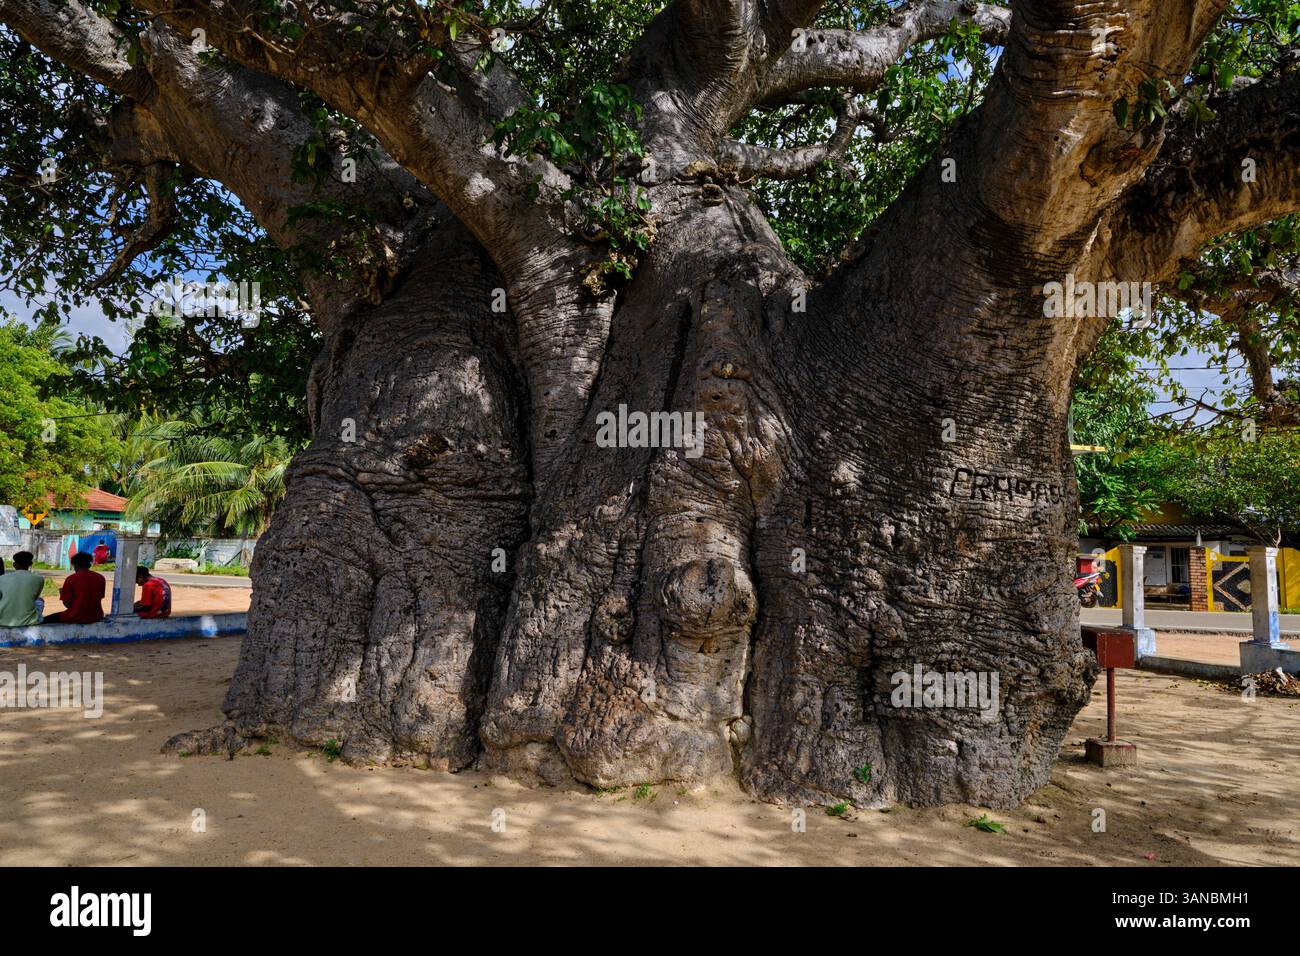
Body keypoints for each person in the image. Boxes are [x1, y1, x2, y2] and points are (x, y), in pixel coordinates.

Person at [42, 552, 105, 625]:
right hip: (96, 616)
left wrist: (62, 593)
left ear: (75, 565)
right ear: (89, 565)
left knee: (44, 621)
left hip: (75, 616)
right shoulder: (100, 578)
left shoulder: (71, 579)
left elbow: (68, 605)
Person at [0, 551, 44, 627]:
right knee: (40, 600)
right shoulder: (39, 579)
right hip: (28, 622)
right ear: (30, 564)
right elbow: (34, 598)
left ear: (14, 564)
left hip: (3, 621)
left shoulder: (1, 578)